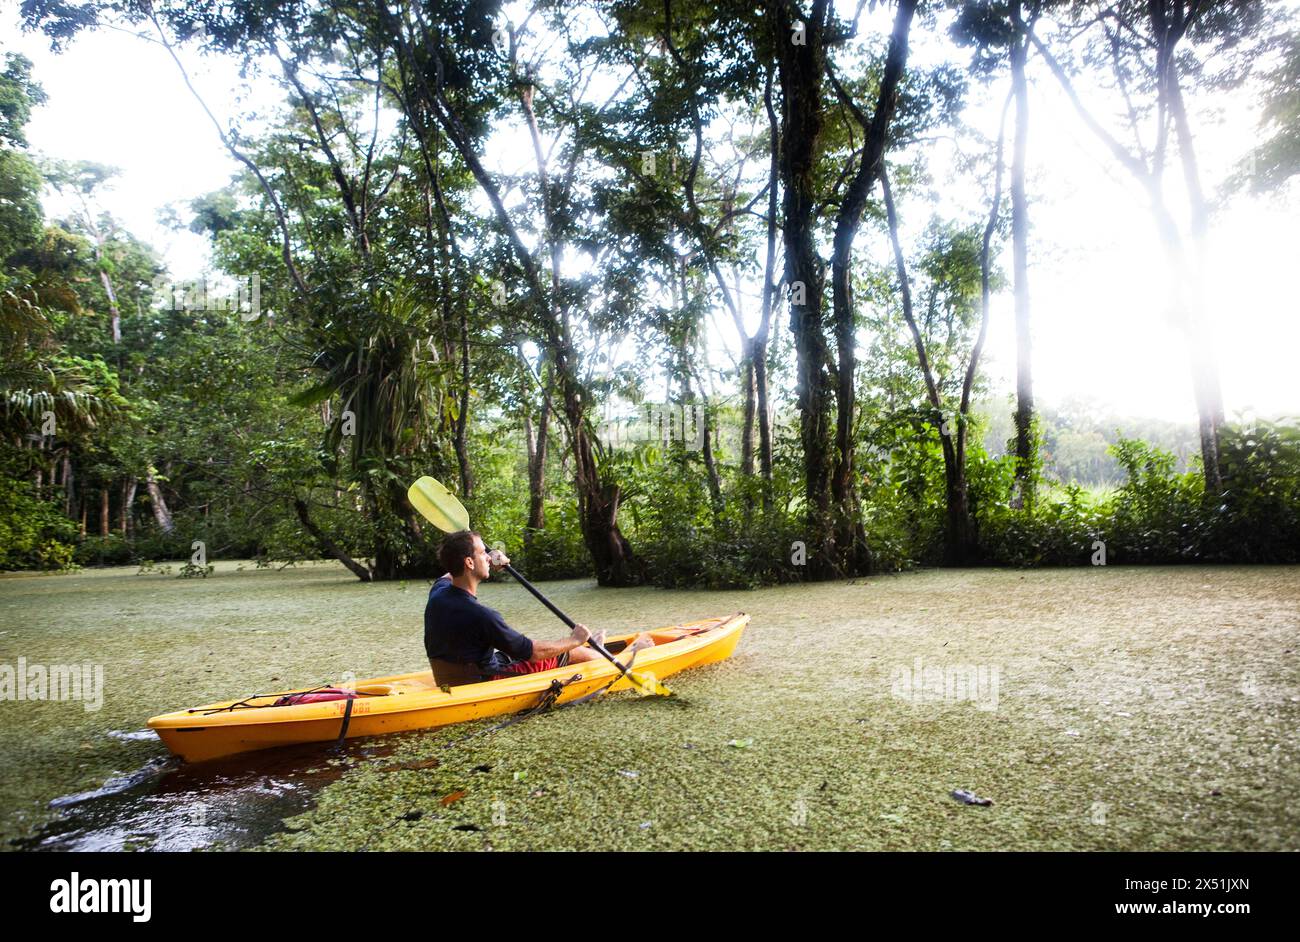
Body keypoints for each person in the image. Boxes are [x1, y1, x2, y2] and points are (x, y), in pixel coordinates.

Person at [424, 530, 651, 686]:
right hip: (487, 679)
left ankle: (595, 648)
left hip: (453, 676)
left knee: (551, 647)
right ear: (469, 563)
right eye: (483, 553)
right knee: (569, 653)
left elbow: (449, 571)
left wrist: (491, 560)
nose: (489, 557)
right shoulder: (482, 615)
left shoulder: (439, 591)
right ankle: (630, 653)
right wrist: (575, 639)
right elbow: (532, 653)